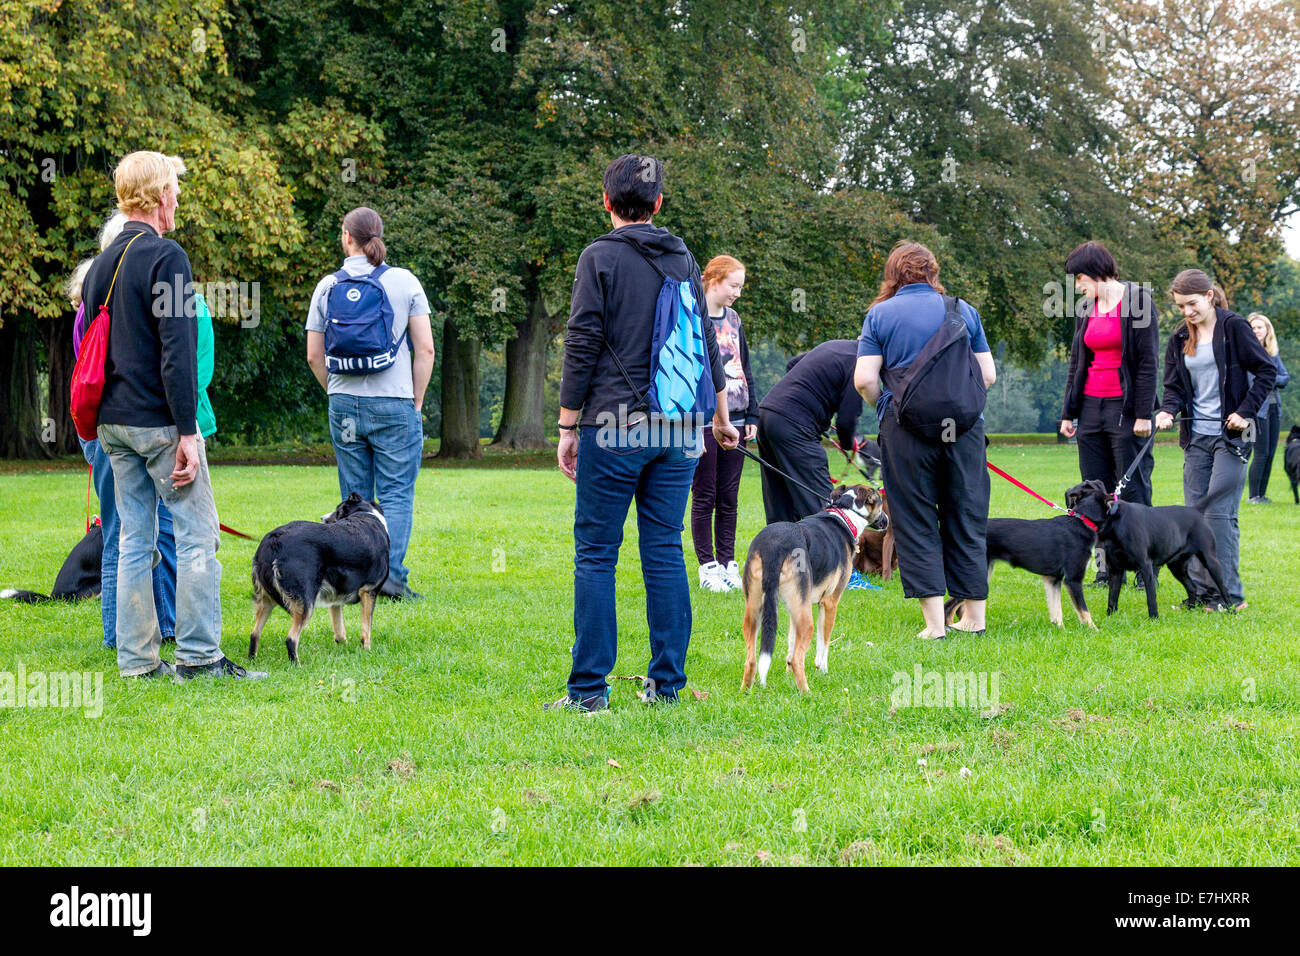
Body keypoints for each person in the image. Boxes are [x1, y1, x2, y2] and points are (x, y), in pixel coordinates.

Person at [552, 153, 738, 711]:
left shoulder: (598, 259)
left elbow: (582, 341)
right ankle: (667, 687)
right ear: (658, 205)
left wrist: (567, 425)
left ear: (607, 202)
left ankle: (588, 692)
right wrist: (722, 417)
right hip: (681, 427)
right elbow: (706, 341)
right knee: (663, 550)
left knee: (596, 556)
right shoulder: (683, 257)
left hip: (615, 423)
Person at [88, 150, 259, 679]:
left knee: (134, 540)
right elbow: (177, 351)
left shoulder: (100, 265)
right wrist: (188, 431)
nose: (178, 200)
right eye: (176, 192)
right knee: (197, 538)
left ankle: (138, 662)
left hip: (112, 425)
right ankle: (201, 657)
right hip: (160, 424)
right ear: (160, 196)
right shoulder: (167, 257)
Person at [854, 241, 996, 639]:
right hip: (964, 432)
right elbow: (988, 376)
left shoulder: (880, 315)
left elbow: (864, 379)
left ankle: (936, 626)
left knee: (915, 520)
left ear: (894, 274)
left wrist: (885, 407)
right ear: (933, 273)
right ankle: (974, 619)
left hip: (906, 432)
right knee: (966, 515)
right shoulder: (963, 310)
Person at [305, 206, 435, 601]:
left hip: (345, 403)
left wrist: (336, 390)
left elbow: (313, 355)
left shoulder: (328, 286)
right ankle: (389, 580)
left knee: (354, 496)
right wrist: (416, 399)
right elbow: (425, 349)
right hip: (395, 403)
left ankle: (355, 579)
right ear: (378, 237)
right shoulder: (404, 281)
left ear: (347, 237)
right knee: (396, 494)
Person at [69, 212, 176, 650]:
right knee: (145, 532)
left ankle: (121, 634)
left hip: (100, 422)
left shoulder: (90, 301)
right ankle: (158, 630)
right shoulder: (130, 296)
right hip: (134, 421)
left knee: (124, 533)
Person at [1155, 270, 1275, 611]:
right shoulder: (1180, 336)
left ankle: (1230, 596)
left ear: (1209, 296)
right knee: (1195, 516)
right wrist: (1167, 411)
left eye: (1191, 304)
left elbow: (1266, 371)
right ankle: (1203, 595)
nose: (1187, 312)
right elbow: (1174, 387)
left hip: (1233, 436)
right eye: (1180, 306)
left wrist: (1244, 411)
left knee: (1219, 515)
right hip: (1196, 438)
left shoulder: (1234, 328)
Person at [1058, 241, 1160, 585]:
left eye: (1080, 278)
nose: (1077, 286)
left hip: (1126, 408)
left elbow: (1148, 363)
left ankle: (1145, 569)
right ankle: (1105, 568)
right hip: (1090, 406)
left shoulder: (1138, 301)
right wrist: (1068, 413)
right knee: (1095, 492)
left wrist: (1144, 414)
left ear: (1098, 273)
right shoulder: (1087, 307)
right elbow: (1077, 363)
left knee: (1133, 491)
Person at [691, 254, 757, 593]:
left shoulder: (734, 318)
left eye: (741, 287)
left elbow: (744, 365)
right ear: (713, 280)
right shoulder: (691, 316)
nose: (737, 293)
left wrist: (753, 414)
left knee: (729, 495)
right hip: (703, 420)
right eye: (734, 286)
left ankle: (729, 562)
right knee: (705, 493)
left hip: (739, 417)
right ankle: (708, 567)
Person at [755, 340, 863, 524]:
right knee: (825, 511)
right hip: (794, 425)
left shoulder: (835, 346)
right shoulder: (859, 364)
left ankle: (782, 553)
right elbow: (846, 422)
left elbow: (792, 364)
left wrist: (809, 400)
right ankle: (830, 552)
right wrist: (848, 443)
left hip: (767, 416)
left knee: (782, 508)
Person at [1245, 312, 1289, 504]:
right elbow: (1252, 380)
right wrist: (1271, 379)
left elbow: (1285, 379)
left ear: (1267, 330)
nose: (1256, 331)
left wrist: (1269, 379)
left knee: (1271, 453)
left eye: (1260, 327)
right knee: (1260, 454)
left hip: (1273, 408)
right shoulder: (1247, 352)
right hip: (1257, 410)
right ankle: (1253, 496)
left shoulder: (1273, 354)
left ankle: (1262, 495)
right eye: (1253, 328)